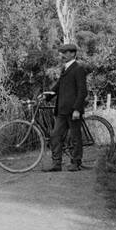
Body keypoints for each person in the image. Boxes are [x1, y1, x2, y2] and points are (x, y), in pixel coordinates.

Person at [44, 41, 89, 172]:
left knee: (75, 137)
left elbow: (82, 91)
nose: (63, 55)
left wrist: (77, 109)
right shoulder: (64, 68)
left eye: (66, 52)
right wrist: (46, 95)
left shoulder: (78, 69)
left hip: (73, 110)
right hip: (62, 110)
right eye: (62, 52)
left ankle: (75, 163)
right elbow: (58, 87)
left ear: (73, 54)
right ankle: (56, 163)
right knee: (55, 135)